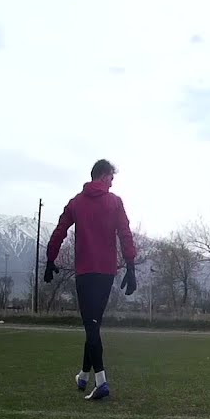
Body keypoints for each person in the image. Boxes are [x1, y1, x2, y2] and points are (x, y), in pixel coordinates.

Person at [44, 159, 138, 401]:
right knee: (93, 325)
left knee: (91, 325)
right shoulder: (115, 202)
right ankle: (84, 377)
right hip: (106, 273)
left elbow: (59, 230)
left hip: (85, 273)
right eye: (111, 178)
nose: (112, 183)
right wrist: (130, 266)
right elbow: (125, 233)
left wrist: (50, 259)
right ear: (103, 176)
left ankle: (101, 382)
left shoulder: (76, 203)